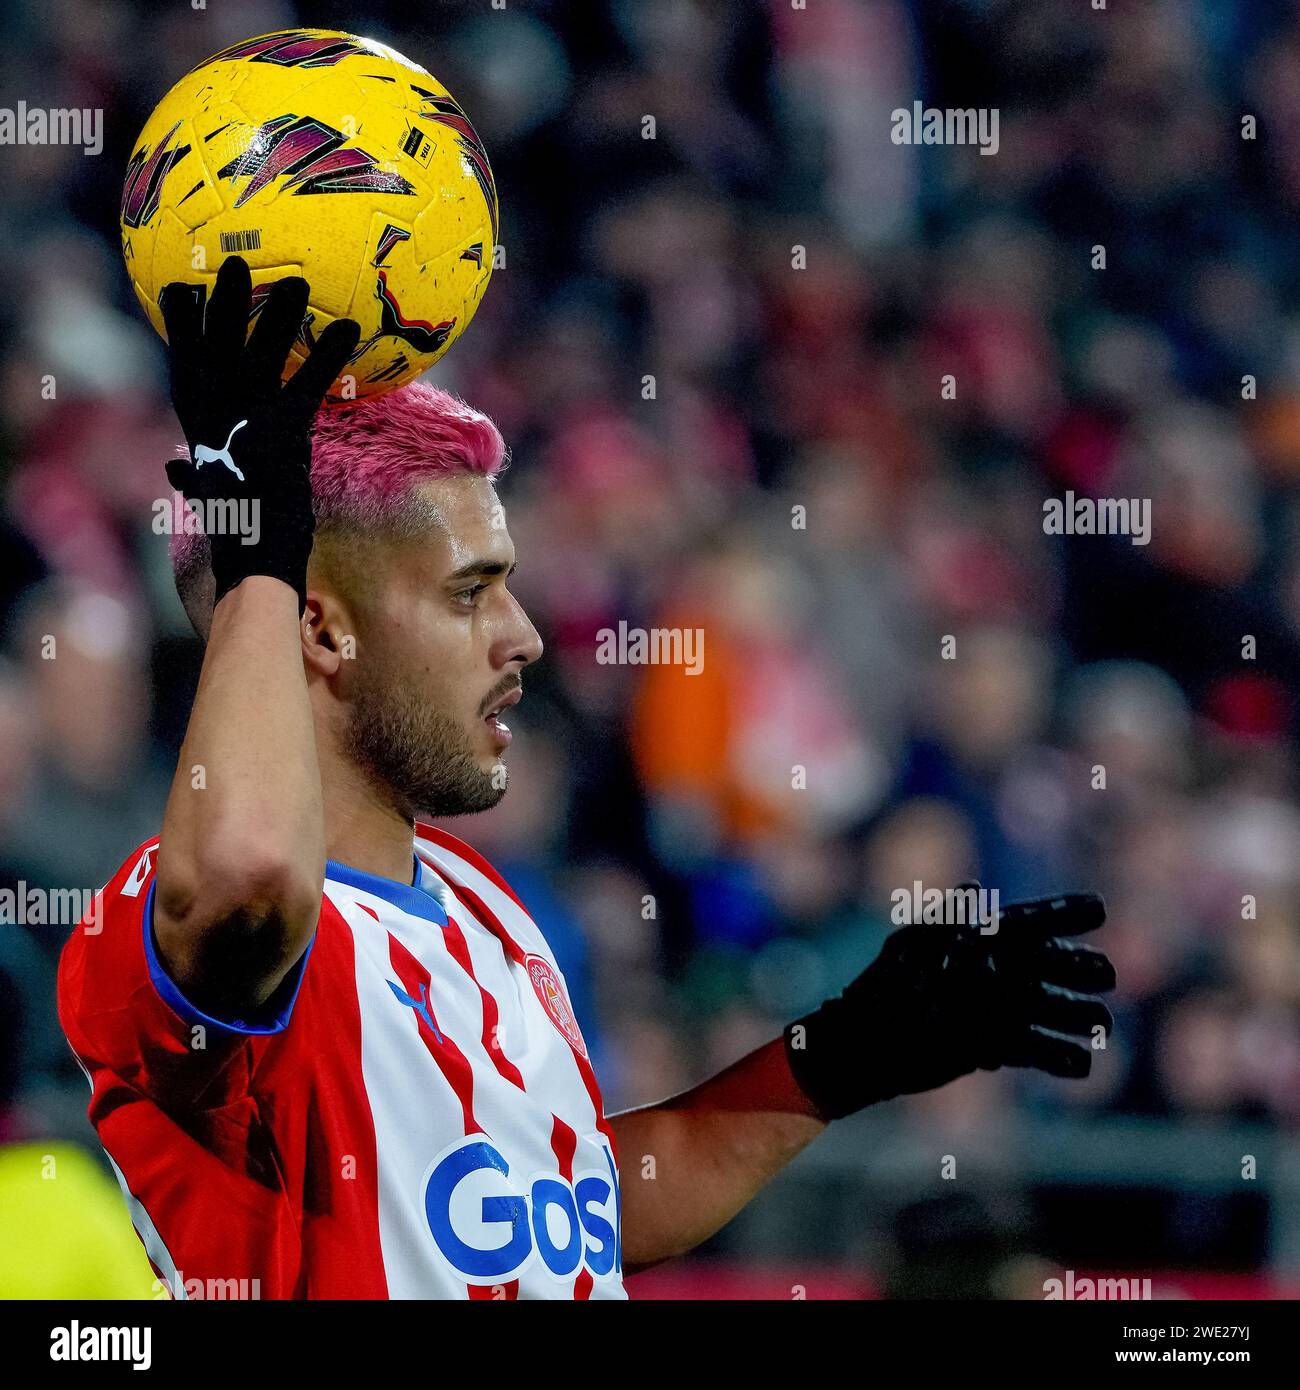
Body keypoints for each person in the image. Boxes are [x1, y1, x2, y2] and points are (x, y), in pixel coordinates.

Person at [58, 258, 1116, 1299]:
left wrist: (836, 1056)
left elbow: (584, 1214)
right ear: (319, 624)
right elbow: (247, 878)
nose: (523, 636)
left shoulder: (484, 907)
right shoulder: (155, 919)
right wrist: (259, 564)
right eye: (472, 593)